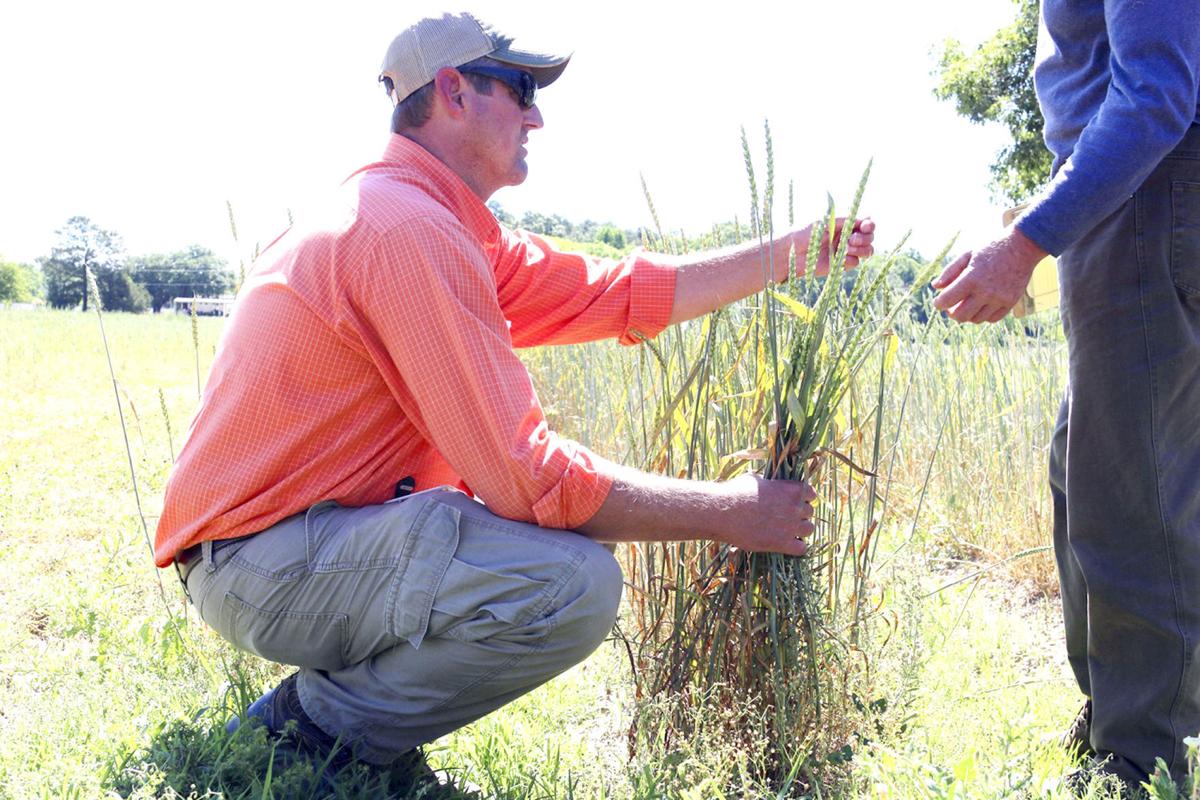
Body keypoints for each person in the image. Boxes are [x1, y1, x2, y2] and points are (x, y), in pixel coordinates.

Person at [154, 9, 875, 792]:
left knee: (517, 550)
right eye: (522, 88)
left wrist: (795, 252)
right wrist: (734, 511)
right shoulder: (406, 233)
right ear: (455, 91)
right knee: (568, 583)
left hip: (289, 550)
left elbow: (617, 292)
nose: (537, 114)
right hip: (262, 565)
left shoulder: (435, 222)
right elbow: (526, 478)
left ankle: (345, 722)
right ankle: (313, 734)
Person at [931, 0, 1200, 788]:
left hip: (1149, 197)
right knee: (1082, 464)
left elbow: (1157, 93)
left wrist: (1026, 244)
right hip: (1132, 198)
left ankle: (1142, 756)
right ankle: (1120, 710)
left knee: (1130, 492)